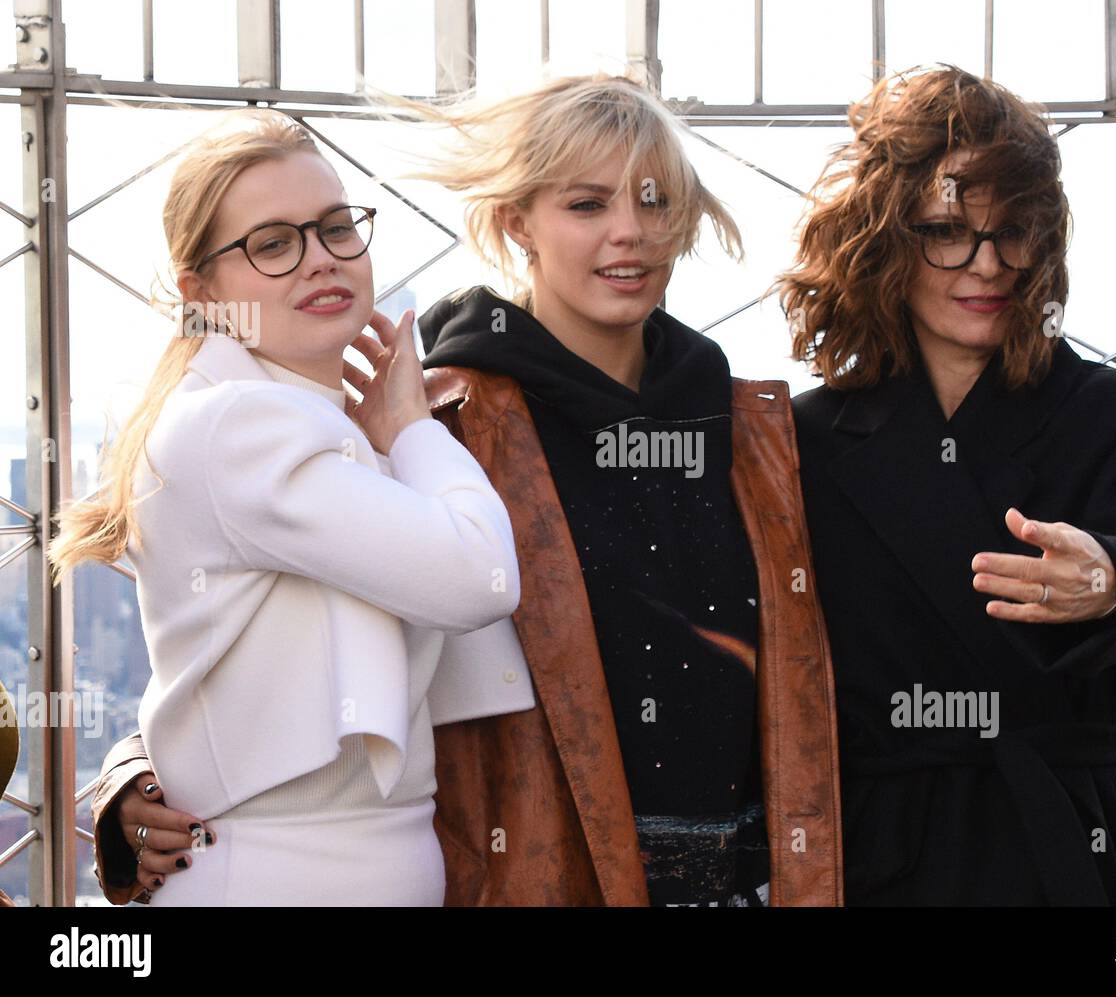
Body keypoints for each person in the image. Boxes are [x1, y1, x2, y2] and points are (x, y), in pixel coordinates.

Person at [89, 74, 842, 906]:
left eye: (655, 201)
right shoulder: (438, 426)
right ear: (517, 221)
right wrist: (136, 782)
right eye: (587, 204)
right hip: (523, 879)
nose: (629, 232)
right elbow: (244, 643)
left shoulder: (756, 434)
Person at [780, 65, 1116, 905]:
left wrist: (1110, 575)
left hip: (1069, 842)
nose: (987, 266)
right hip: (878, 851)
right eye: (947, 232)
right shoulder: (803, 437)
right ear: (882, 239)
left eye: (1014, 231)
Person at [49, 108, 528, 906]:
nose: (320, 258)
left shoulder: (300, 418)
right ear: (201, 293)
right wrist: (412, 428)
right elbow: (480, 576)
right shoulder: (243, 421)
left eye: (337, 227)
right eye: (272, 244)